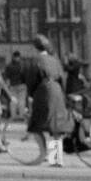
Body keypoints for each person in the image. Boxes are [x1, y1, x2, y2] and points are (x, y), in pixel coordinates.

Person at [25, 34, 72, 166]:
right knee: (56, 127)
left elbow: (31, 80)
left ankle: (42, 155)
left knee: (35, 126)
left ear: (35, 47)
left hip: (43, 92)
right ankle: (56, 159)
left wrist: (32, 94)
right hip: (57, 92)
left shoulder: (36, 60)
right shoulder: (55, 60)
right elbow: (63, 78)